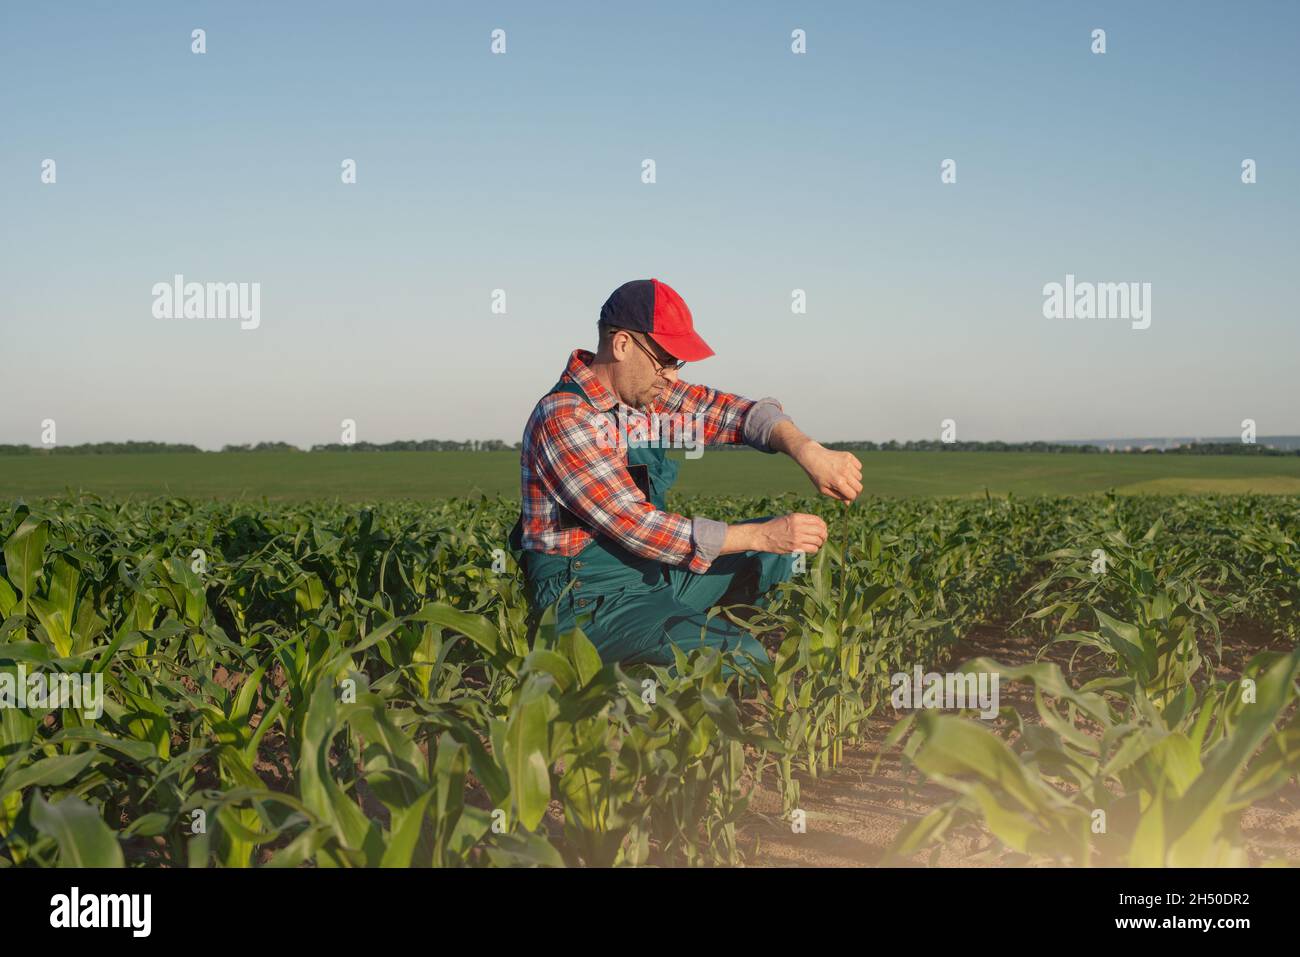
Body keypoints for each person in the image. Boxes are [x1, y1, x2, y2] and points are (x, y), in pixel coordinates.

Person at [509, 278, 862, 672]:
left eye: (678, 364)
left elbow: (732, 414)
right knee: (742, 655)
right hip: (587, 605)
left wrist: (806, 449)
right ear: (623, 344)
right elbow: (636, 527)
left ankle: (707, 636)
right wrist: (762, 533)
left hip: (649, 578)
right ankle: (649, 681)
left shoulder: (643, 400)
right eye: (665, 359)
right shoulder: (566, 417)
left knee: (781, 552)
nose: (672, 377)